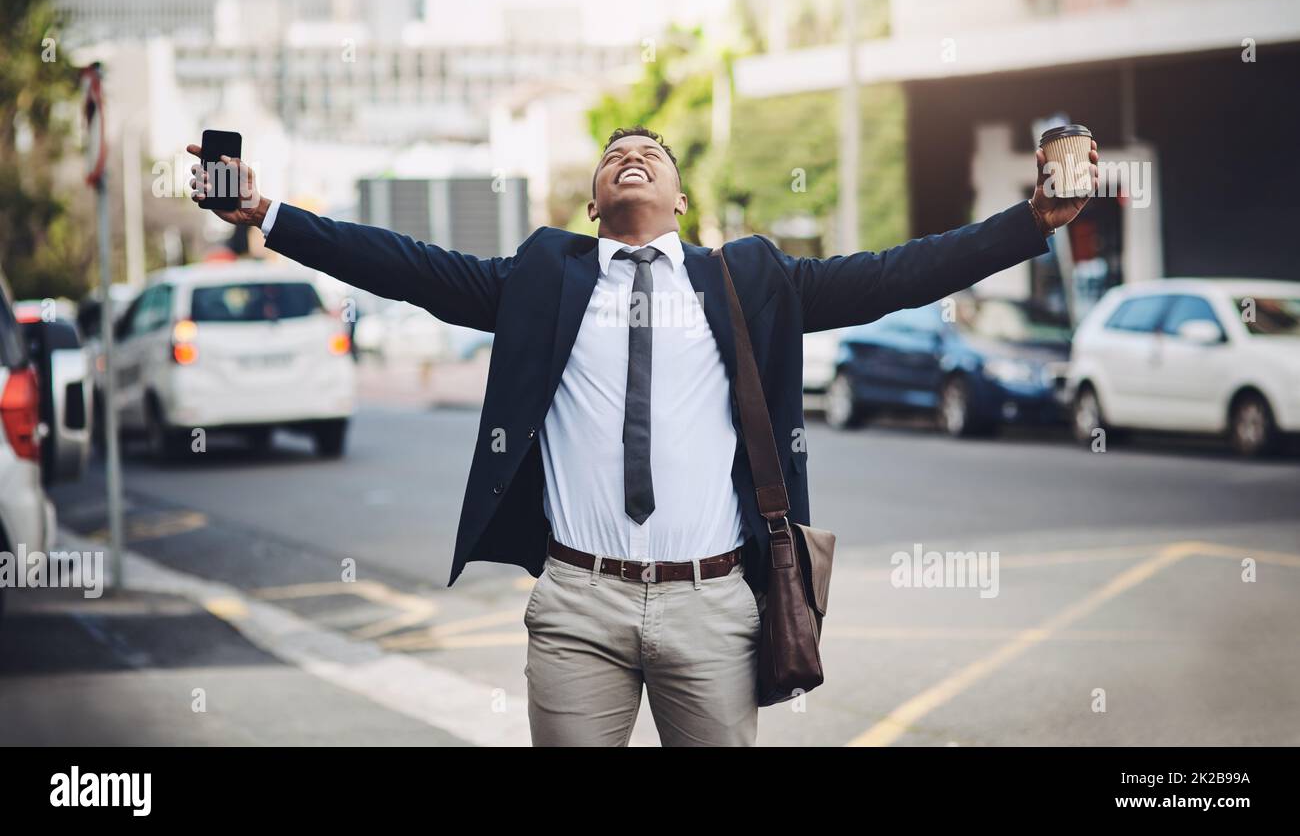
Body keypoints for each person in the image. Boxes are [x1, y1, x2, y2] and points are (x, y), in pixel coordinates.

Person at [186, 127, 1099, 746]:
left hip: (714, 610)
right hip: (580, 606)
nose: (632, 156)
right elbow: (406, 266)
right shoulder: (542, 275)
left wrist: (1031, 224)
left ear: (680, 197)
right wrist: (268, 216)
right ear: (592, 203)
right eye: (615, 153)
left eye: (650, 154)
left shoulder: (747, 278)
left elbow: (897, 274)